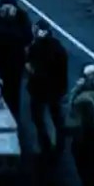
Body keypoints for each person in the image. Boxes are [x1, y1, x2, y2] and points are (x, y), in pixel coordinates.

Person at [26, 20, 70, 161]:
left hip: (40, 89)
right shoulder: (59, 48)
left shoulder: (36, 48)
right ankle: (60, 145)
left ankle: (44, 145)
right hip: (56, 89)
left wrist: (29, 68)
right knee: (56, 116)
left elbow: (33, 69)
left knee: (37, 117)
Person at [0, 1, 28, 118]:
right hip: (14, 66)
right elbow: (26, 37)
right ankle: (13, 115)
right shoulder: (16, 31)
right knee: (13, 93)